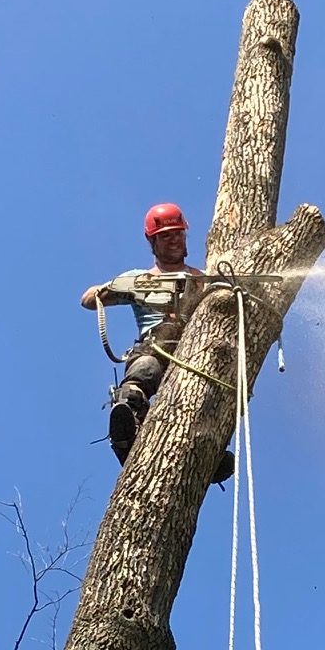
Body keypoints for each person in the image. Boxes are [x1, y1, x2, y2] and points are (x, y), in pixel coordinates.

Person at [81, 203, 233, 479]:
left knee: (207, 390)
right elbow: (88, 299)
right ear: (153, 241)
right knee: (147, 367)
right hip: (156, 347)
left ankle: (207, 447)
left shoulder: (201, 279)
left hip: (196, 353)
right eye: (166, 236)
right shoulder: (139, 279)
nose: (174, 240)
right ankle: (128, 420)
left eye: (178, 234)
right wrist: (114, 289)